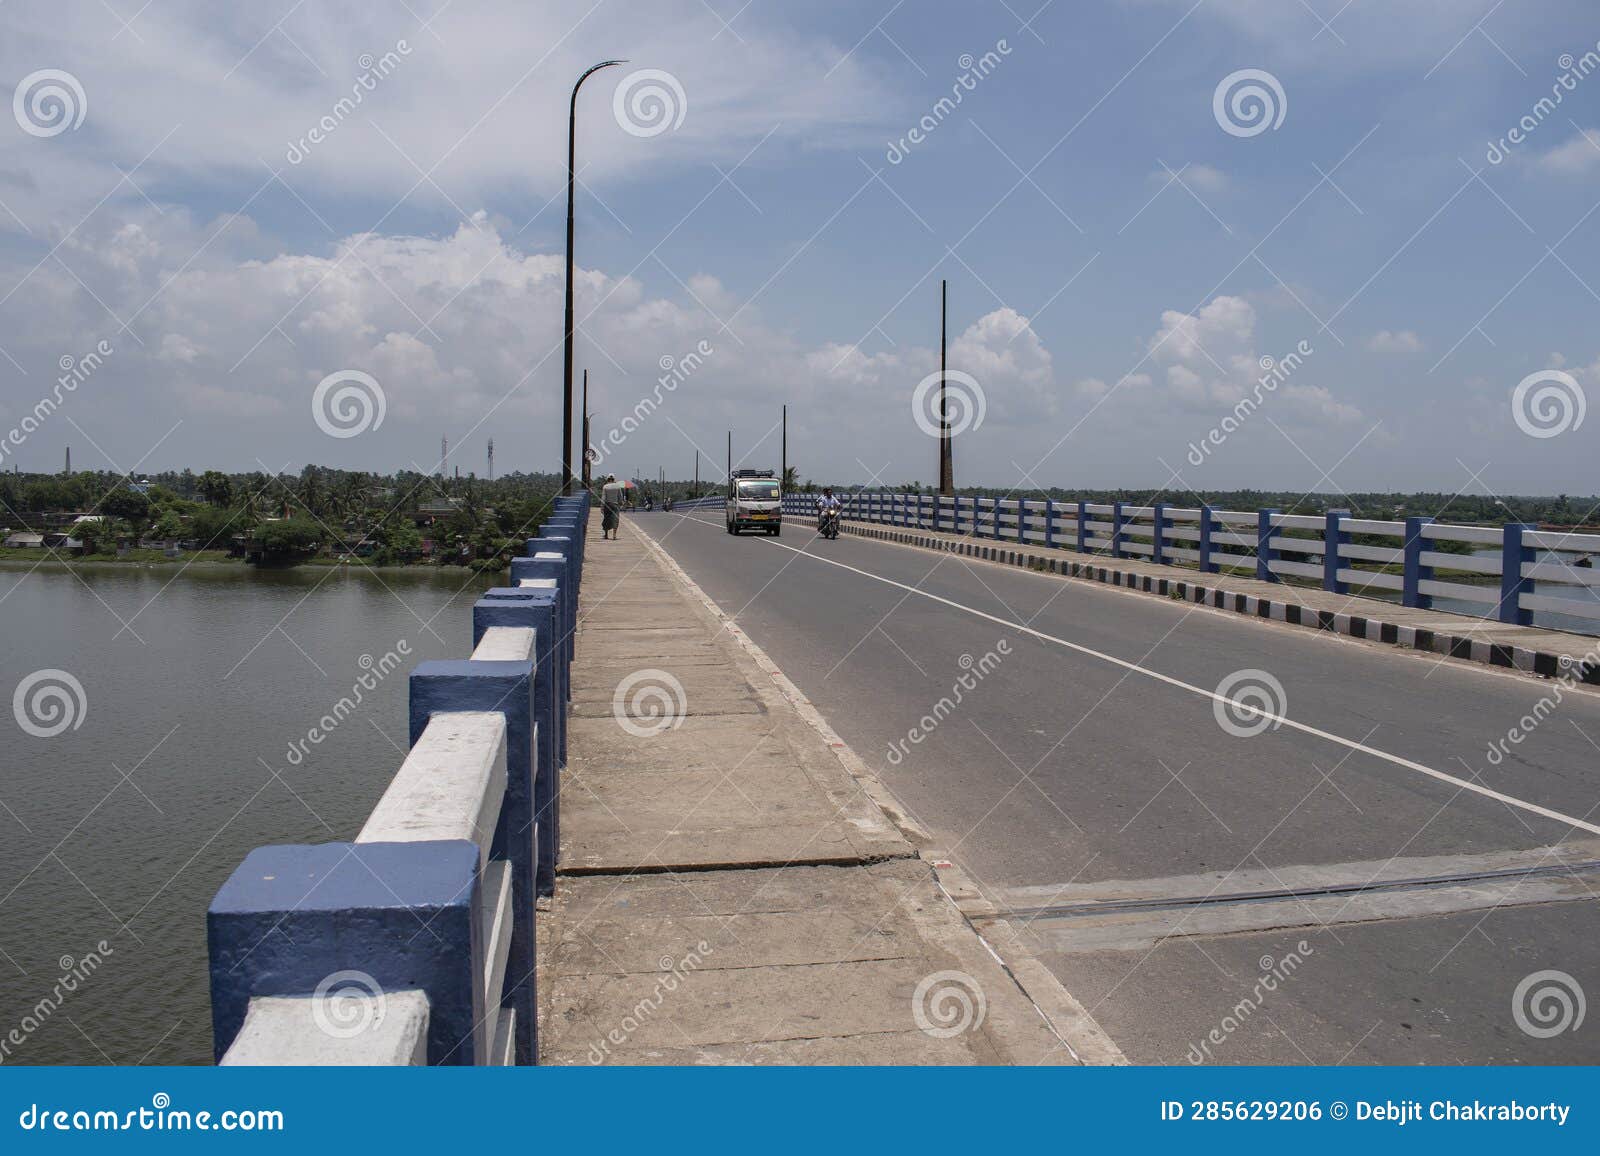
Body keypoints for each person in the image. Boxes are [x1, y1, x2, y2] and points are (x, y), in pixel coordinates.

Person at [600, 474, 625, 540]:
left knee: (606, 519)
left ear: (608, 479)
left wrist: (602, 507)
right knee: (615, 520)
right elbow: (620, 497)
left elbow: (603, 498)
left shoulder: (605, 487)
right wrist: (621, 504)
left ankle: (606, 535)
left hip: (607, 505)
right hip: (615, 505)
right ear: (614, 479)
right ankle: (614, 535)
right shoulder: (617, 487)